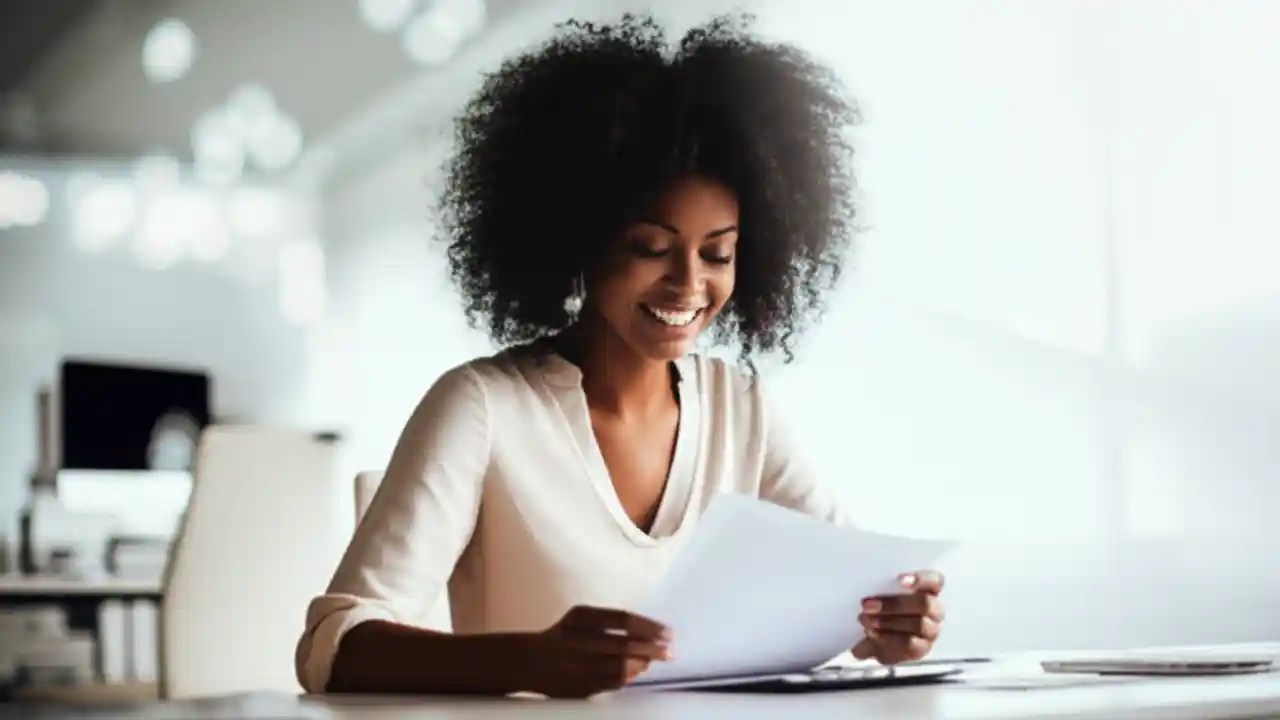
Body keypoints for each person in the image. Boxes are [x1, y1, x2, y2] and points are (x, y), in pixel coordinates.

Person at [295, 13, 947, 698]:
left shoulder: (740, 409)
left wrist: (889, 622)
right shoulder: (485, 408)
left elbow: (852, 587)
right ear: (578, 237)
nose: (690, 284)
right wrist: (528, 662)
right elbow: (334, 647)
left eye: (717, 253)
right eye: (651, 249)